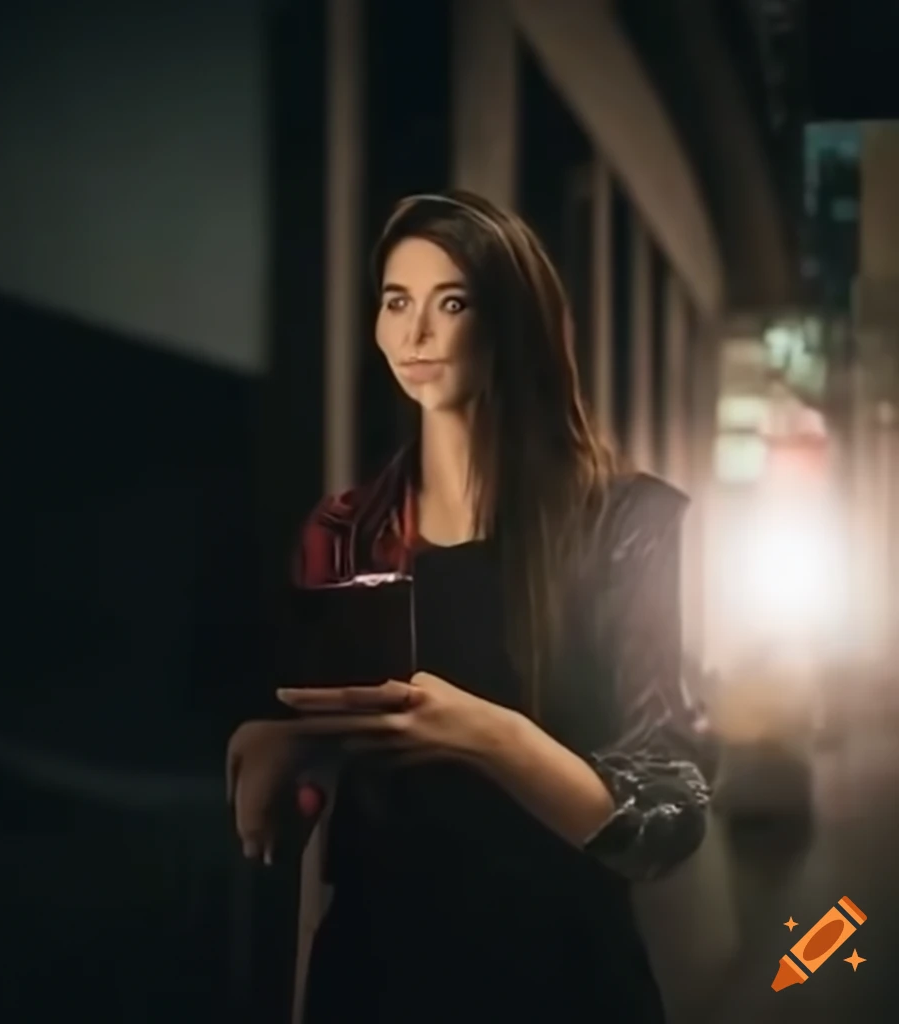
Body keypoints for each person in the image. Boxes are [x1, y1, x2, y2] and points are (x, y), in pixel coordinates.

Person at [226, 190, 711, 1023]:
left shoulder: (626, 524)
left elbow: (667, 816)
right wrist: (286, 741)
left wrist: (491, 736)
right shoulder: (343, 530)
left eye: (449, 303)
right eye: (395, 302)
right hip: (380, 972)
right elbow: (326, 737)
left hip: (561, 972)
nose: (414, 335)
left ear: (510, 321)